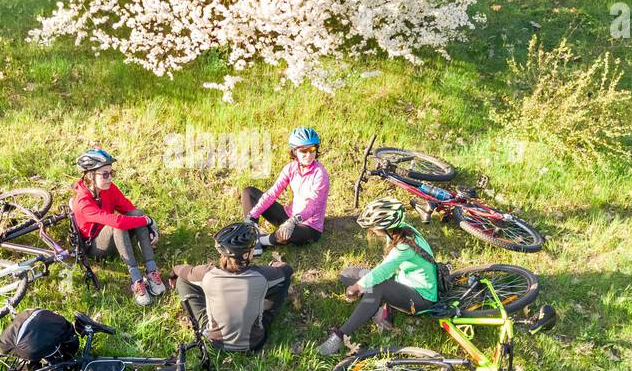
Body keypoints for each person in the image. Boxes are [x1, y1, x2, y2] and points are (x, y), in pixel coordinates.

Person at [317, 197, 443, 356]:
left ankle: (339, 337)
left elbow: (382, 272)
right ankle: (376, 303)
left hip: (421, 298)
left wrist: (356, 287)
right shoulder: (401, 229)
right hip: (401, 281)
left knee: (377, 286)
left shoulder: (404, 246)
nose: (371, 230)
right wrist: (362, 283)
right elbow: (386, 267)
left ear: (385, 226)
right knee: (347, 274)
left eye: (373, 226)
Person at [170, 221, 293, 352]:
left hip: (215, 342)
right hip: (254, 343)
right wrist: (275, 264)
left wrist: (173, 274)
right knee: (283, 281)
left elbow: (181, 270)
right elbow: (287, 270)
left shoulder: (207, 274)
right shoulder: (263, 275)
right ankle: (266, 314)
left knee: (182, 281)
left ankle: (204, 322)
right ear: (246, 255)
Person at [70, 148, 165, 306]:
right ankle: (136, 280)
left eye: (111, 173)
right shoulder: (83, 202)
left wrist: (148, 228)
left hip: (115, 232)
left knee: (136, 213)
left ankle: (151, 270)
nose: (109, 178)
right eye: (105, 174)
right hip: (96, 247)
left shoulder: (109, 189)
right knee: (118, 224)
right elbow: (118, 222)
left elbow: (129, 209)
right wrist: (147, 221)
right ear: (90, 176)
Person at [241, 126, 329, 254]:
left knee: (289, 233)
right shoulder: (290, 168)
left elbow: (313, 206)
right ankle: (251, 234)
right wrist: (252, 215)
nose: (309, 155)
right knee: (249, 192)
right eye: (303, 151)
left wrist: (293, 221)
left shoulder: (320, 174)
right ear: (294, 152)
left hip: (308, 227)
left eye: (312, 149)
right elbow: (272, 194)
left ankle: (262, 241)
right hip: (288, 215)